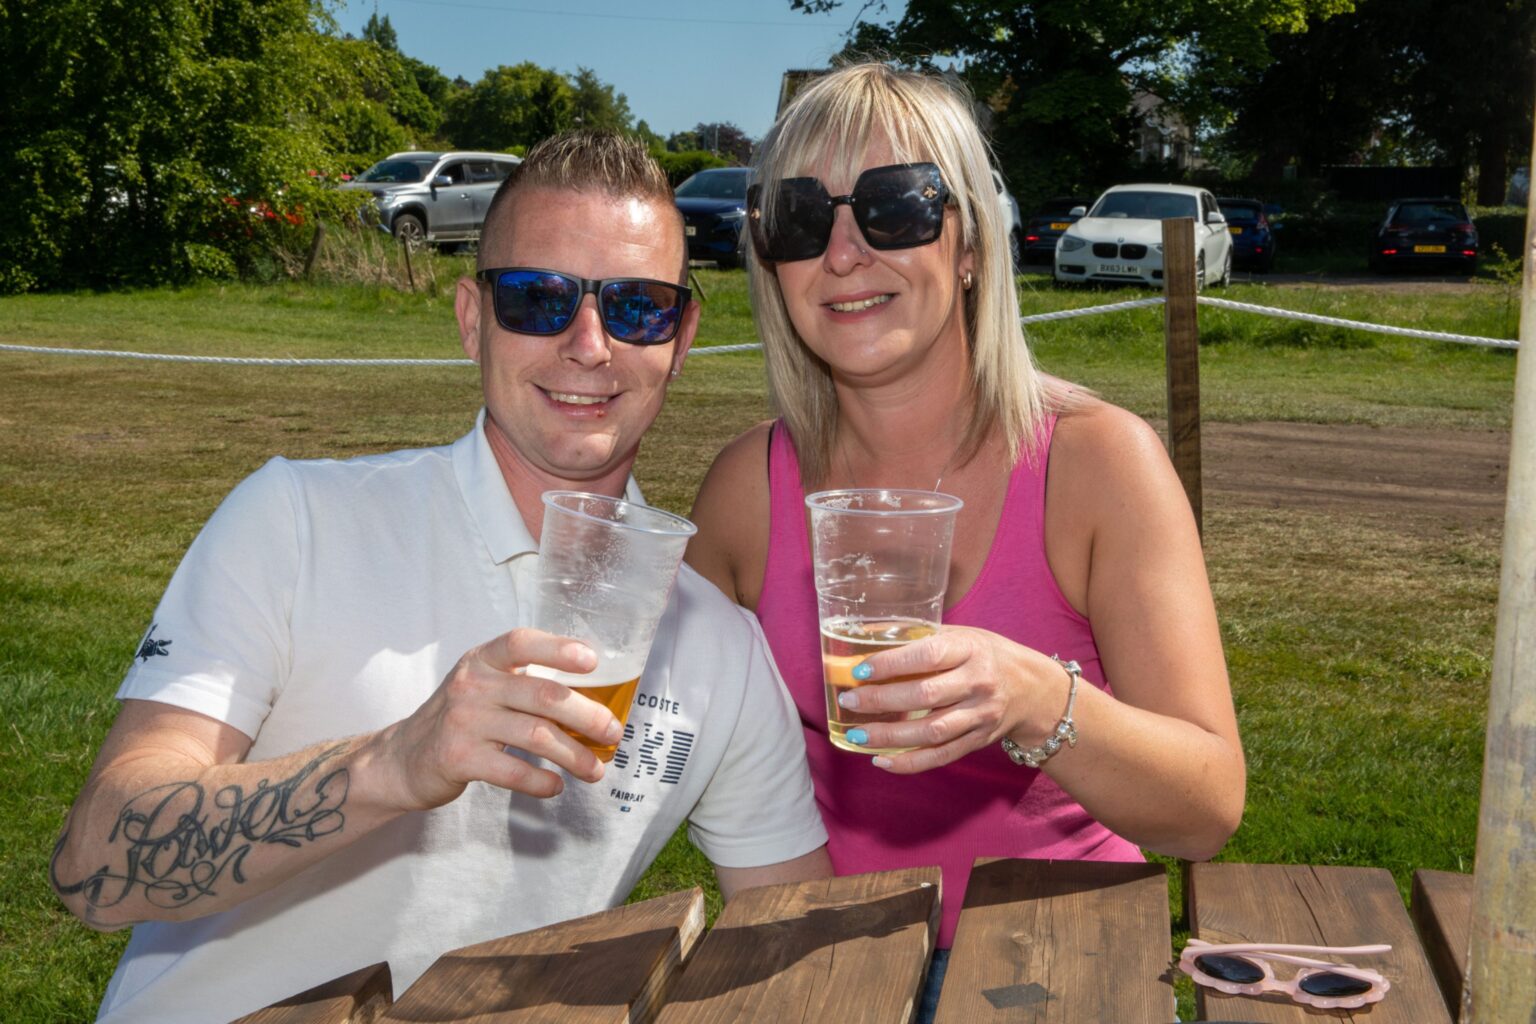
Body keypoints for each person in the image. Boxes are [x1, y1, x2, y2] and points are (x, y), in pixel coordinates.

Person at [50, 131, 832, 1024]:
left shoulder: (718, 648)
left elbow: (793, 940)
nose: (590, 345)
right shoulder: (298, 519)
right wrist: (394, 763)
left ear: (682, 338)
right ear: (471, 318)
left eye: (637, 308)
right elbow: (94, 864)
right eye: (538, 300)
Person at [685, 63, 1246, 1014]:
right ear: (771, 263)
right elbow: (658, 726)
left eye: (896, 207)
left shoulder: (1098, 463)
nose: (846, 252)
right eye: (799, 219)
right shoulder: (750, 487)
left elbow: (1206, 807)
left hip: (1057, 953)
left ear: (974, 243)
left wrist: (1031, 696)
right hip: (829, 946)